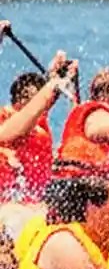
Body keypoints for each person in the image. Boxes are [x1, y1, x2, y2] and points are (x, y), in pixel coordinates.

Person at [0, 50, 76, 202]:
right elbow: (25, 120)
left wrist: (57, 76)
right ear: (21, 102)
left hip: (36, 200)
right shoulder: (5, 118)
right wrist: (52, 84)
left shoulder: (38, 123)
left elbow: (42, 105)